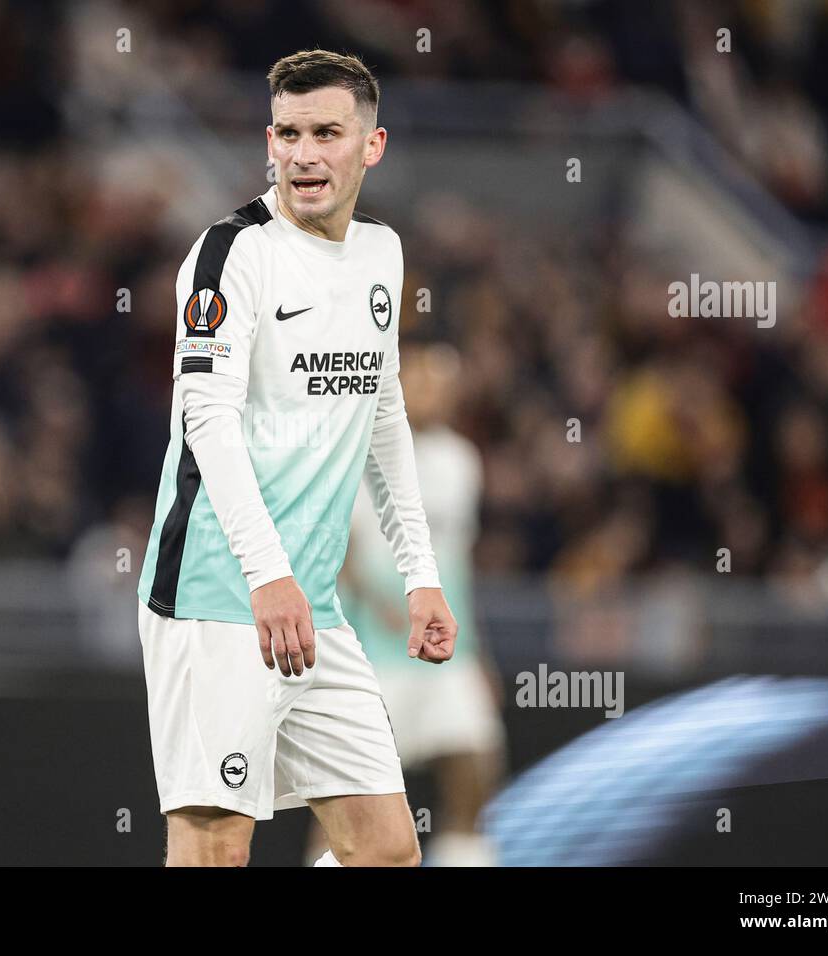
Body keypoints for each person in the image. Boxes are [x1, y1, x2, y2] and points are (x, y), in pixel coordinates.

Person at [135, 49, 456, 866]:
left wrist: (421, 572)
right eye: (288, 133)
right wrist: (266, 573)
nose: (304, 154)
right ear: (267, 142)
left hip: (313, 604)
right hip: (218, 594)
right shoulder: (231, 254)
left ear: (371, 146)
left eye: (326, 132)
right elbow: (205, 418)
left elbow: (384, 412)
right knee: (214, 850)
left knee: (387, 850)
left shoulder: (382, 255)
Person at [308, 342, 508, 866]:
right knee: (348, 802)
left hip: (448, 657)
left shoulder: (463, 461)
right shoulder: (356, 450)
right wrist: (384, 610)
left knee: (475, 773)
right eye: (422, 375)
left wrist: (479, 653)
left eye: (445, 378)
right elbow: (340, 557)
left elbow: (457, 565)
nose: (432, 387)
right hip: (375, 658)